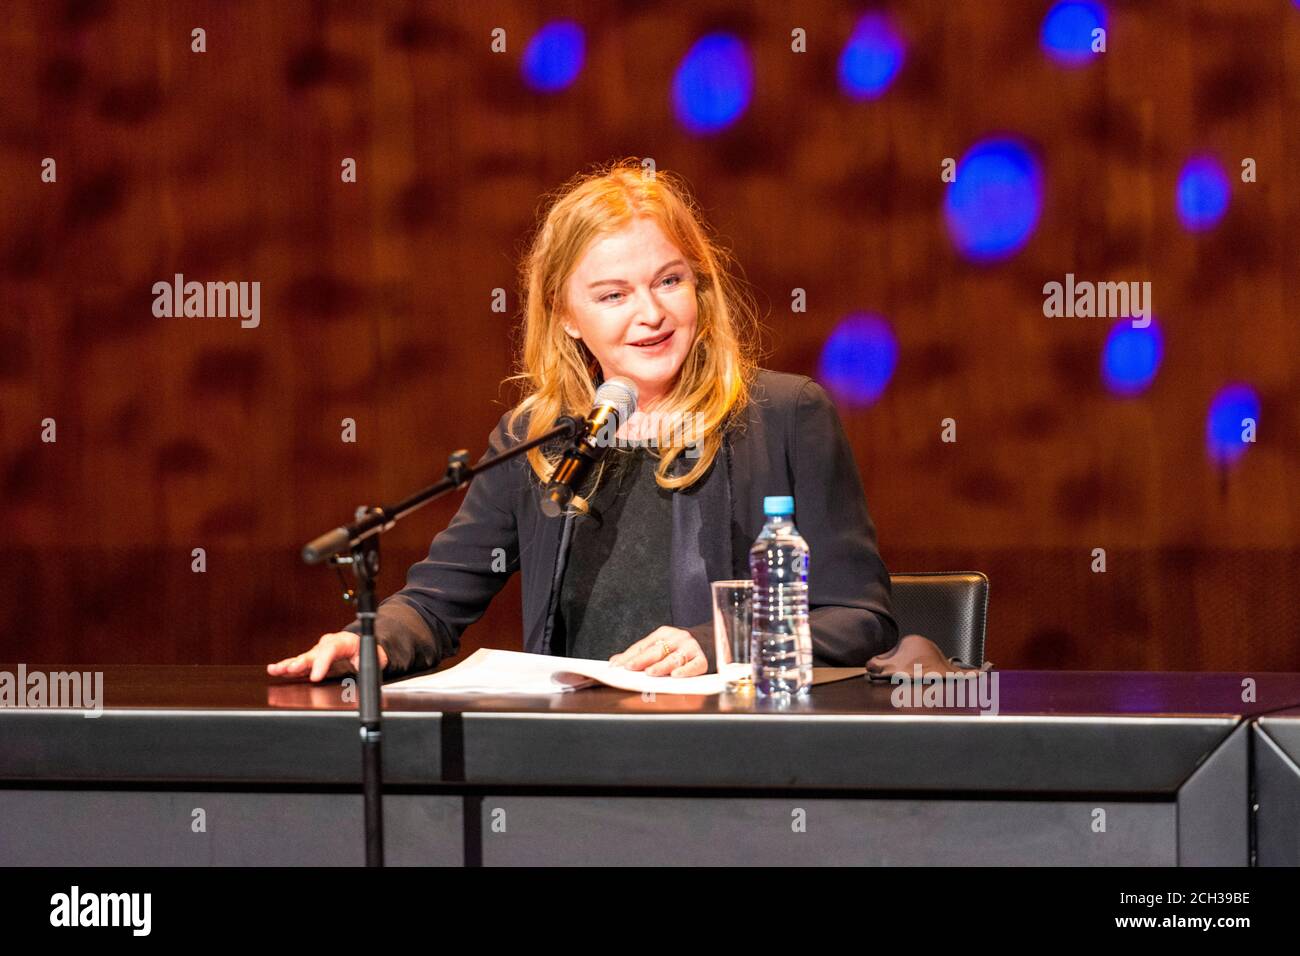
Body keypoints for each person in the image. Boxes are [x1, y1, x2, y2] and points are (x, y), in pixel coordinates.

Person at [268, 159, 898, 683]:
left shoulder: (786, 416)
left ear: (700, 290)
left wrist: (716, 642)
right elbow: (438, 600)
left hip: (725, 745)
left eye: (669, 281)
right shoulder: (537, 439)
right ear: (566, 316)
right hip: (571, 752)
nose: (649, 313)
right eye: (613, 295)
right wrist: (374, 641)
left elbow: (859, 617)